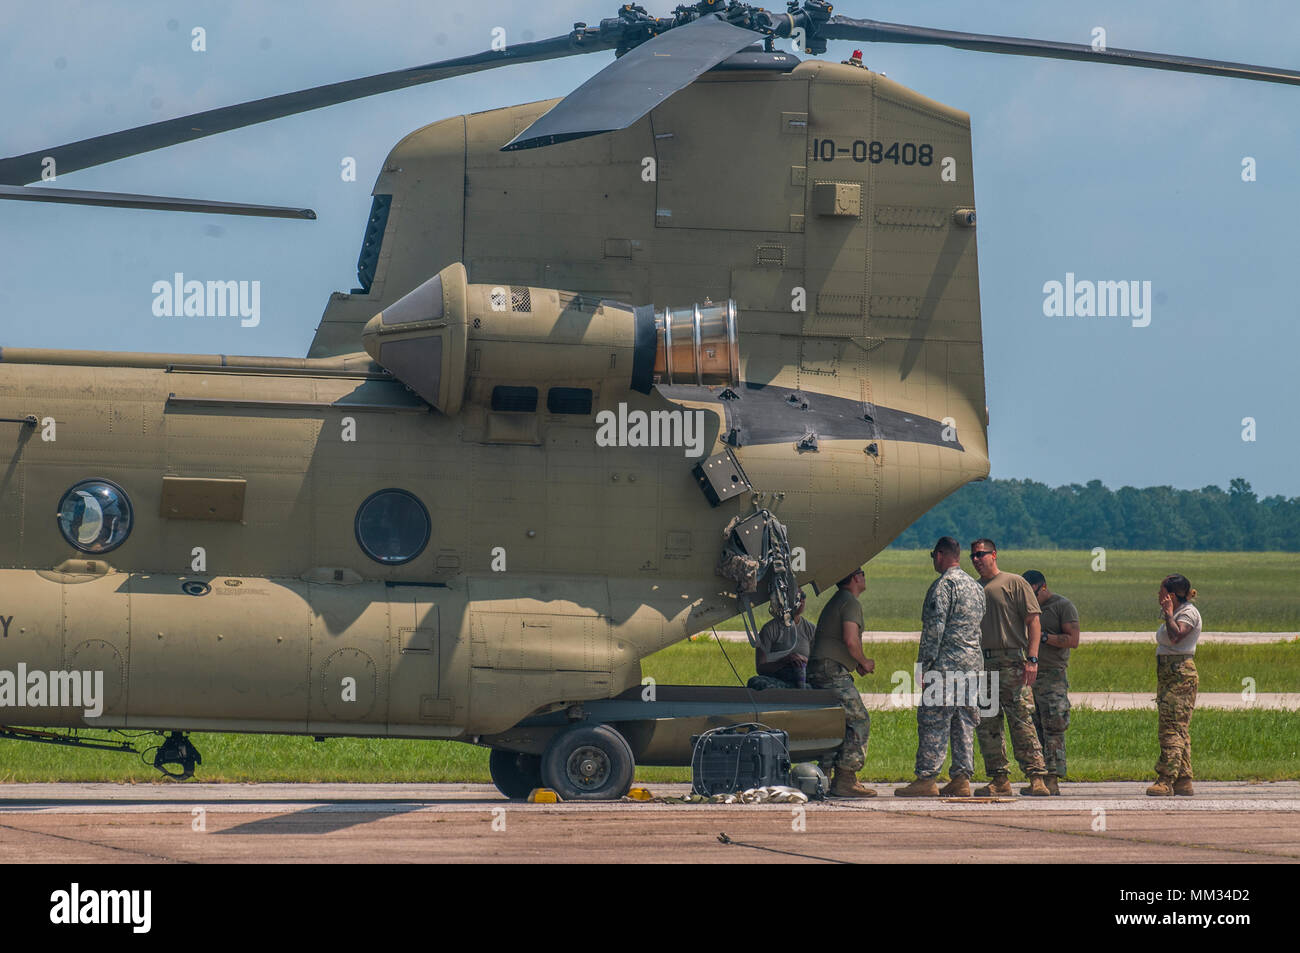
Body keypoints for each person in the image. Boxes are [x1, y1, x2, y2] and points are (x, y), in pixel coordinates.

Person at [896, 537, 985, 798]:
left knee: (934, 721)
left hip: (945, 668)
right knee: (964, 722)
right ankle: (961, 779)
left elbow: (934, 631)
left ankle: (926, 778)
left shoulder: (943, 587)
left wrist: (923, 667)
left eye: (934, 555)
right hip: (971, 669)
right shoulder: (975, 587)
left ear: (941, 555)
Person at [969, 539, 1051, 797]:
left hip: (1012, 662)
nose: (976, 559)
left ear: (994, 555)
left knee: (1022, 720)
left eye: (981, 554)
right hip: (983, 663)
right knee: (988, 724)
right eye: (973, 556)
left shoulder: (1014, 583)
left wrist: (1032, 659)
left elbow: (1033, 621)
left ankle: (1037, 777)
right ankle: (999, 778)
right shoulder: (974, 588)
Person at [808, 567, 876, 797]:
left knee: (836, 721)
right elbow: (850, 639)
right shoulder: (850, 602)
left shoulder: (838, 600)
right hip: (831, 670)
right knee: (859, 720)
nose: (865, 577)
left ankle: (825, 774)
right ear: (856, 578)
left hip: (821, 667)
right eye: (863, 573)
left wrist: (854, 663)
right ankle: (846, 778)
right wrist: (864, 661)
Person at [1022, 570, 1079, 796]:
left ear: (1042, 587)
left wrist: (1042, 636)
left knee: (1053, 725)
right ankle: (1038, 778)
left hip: (1052, 675)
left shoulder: (1062, 606)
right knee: (1033, 727)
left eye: (1031, 591)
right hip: (1029, 676)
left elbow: (1072, 640)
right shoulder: (1026, 609)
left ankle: (1053, 778)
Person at [1148, 574, 1202, 797]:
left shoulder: (1188, 613)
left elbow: (1177, 635)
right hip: (1169, 672)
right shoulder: (1179, 612)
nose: (1158, 596)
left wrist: (1169, 613)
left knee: (1170, 728)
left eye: (1162, 593)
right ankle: (1183, 779)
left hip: (1180, 673)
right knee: (1179, 728)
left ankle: (1166, 779)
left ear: (1170, 596)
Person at [747, 591, 814, 690]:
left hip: (803, 677)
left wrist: (803, 660)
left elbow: (819, 664)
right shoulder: (770, 629)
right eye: (798, 597)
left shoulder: (810, 629)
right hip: (779, 679)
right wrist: (785, 661)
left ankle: (798, 689)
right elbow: (761, 668)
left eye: (803, 596)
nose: (802, 600)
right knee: (755, 682)